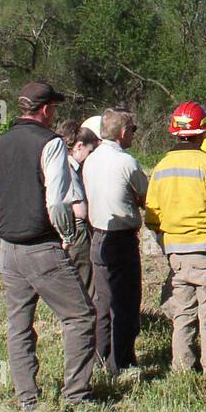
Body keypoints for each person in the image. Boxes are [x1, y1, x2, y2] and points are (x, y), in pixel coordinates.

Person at [0, 82, 97, 412]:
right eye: (54, 109)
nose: (55, 114)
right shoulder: (52, 143)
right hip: (41, 246)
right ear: (45, 110)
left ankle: (27, 400)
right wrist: (67, 236)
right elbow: (56, 202)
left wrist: (6, 230)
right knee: (80, 316)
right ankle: (77, 396)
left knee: (19, 324)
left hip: (8, 250)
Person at [146, 102, 206, 381]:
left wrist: (168, 240)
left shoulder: (161, 166)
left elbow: (152, 215)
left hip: (176, 254)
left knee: (182, 315)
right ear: (202, 132)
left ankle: (182, 372)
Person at [83, 106, 148, 373]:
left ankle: (102, 357)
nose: (133, 134)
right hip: (121, 240)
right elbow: (147, 197)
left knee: (103, 302)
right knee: (126, 303)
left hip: (97, 237)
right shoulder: (126, 162)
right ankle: (122, 362)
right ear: (123, 132)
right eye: (132, 129)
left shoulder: (90, 159)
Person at [56, 117, 101, 302]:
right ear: (79, 146)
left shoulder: (57, 163)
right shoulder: (68, 168)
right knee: (88, 282)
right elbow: (80, 210)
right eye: (90, 151)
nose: (90, 157)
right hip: (77, 231)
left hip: (67, 230)